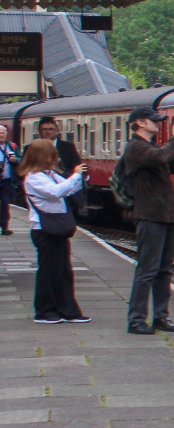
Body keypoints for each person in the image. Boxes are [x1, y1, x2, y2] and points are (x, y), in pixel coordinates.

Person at [118, 107, 174, 335]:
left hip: (167, 215)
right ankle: (136, 319)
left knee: (164, 270)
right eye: (154, 121)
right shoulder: (136, 148)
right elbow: (161, 157)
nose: (158, 124)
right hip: (150, 215)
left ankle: (161, 316)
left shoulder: (152, 148)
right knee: (147, 270)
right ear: (141, 123)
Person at [18, 139, 88, 324]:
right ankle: (44, 311)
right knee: (48, 271)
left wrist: (81, 178)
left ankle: (67, 310)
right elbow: (56, 192)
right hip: (44, 229)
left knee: (63, 271)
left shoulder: (50, 175)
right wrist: (75, 175)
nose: (55, 158)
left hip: (56, 228)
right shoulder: (34, 177)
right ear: (42, 156)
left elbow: (68, 190)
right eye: (52, 155)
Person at [37, 117, 85, 214]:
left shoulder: (68, 147)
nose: (48, 132)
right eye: (44, 129)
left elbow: (76, 166)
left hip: (67, 192)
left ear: (56, 130)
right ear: (40, 131)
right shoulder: (32, 148)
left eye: (50, 129)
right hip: (42, 193)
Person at [0, 124, 17, 235]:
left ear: (6, 134)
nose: (1, 135)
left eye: (2, 133)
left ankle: (4, 227)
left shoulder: (11, 146)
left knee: (5, 204)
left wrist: (16, 159)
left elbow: (21, 158)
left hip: (7, 180)